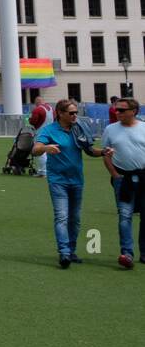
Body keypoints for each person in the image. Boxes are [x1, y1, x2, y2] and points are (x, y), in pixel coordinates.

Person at [32, 99, 112, 268]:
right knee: (61, 216)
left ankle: (72, 250)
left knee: (74, 219)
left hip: (76, 180)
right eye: (71, 113)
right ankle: (64, 253)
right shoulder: (49, 130)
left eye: (76, 112)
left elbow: (90, 151)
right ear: (60, 113)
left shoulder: (79, 128)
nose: (75, 115)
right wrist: (46, 148)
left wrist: (104, 152)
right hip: (58, 181)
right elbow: (35, 149)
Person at [103, 98, 145, 269]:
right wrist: (115, 174)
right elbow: (106, 154)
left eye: (121, 110)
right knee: (125, 215)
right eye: (116, 109)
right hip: (123, 179)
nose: (117, 112)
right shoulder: (110, 129)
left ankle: (144, 252)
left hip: (143, 177)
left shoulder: (143, 127)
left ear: (133, 111)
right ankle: (127, 253)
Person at [28, 96, 50, 177]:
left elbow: (33, 121)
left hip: (40, 133)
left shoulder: (37, 109)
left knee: (40, 152)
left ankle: (42, 172)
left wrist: (29, 120)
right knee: (49, 152)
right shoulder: (51, 108)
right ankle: (49, 171)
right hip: (50, 132)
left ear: (36, 102)